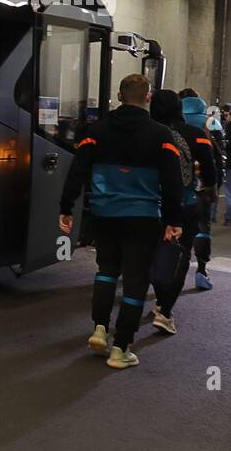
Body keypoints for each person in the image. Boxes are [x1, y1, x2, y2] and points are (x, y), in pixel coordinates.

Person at [59, 73, 183, 370]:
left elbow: (78, 170)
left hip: (105, 215)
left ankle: (100, 328)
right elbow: (173, 182)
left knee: (106, 271)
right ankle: (121, 348)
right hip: (142, 219)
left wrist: (66, 207)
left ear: (118, 94)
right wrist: (173, 219)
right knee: (136, 281)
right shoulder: (162, 136)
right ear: (149, 97)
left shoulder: (95, 131)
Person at [150, 90, 218, 334]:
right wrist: (205, 185)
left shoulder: (147, 132)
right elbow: (211, 172)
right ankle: (165, 310)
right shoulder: (196, 134)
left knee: (151, 256)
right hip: (184, 204)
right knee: (178, 257)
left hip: (147, 205)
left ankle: (158, 299)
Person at [179, 89, 223, 289]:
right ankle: (201, 270)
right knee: (203, 228)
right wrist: (214, 186)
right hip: (203, 184)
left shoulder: (176, 122)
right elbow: (220, 153)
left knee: (175, 227)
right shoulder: (211, 122)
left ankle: (171, 271)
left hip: (177, 184)